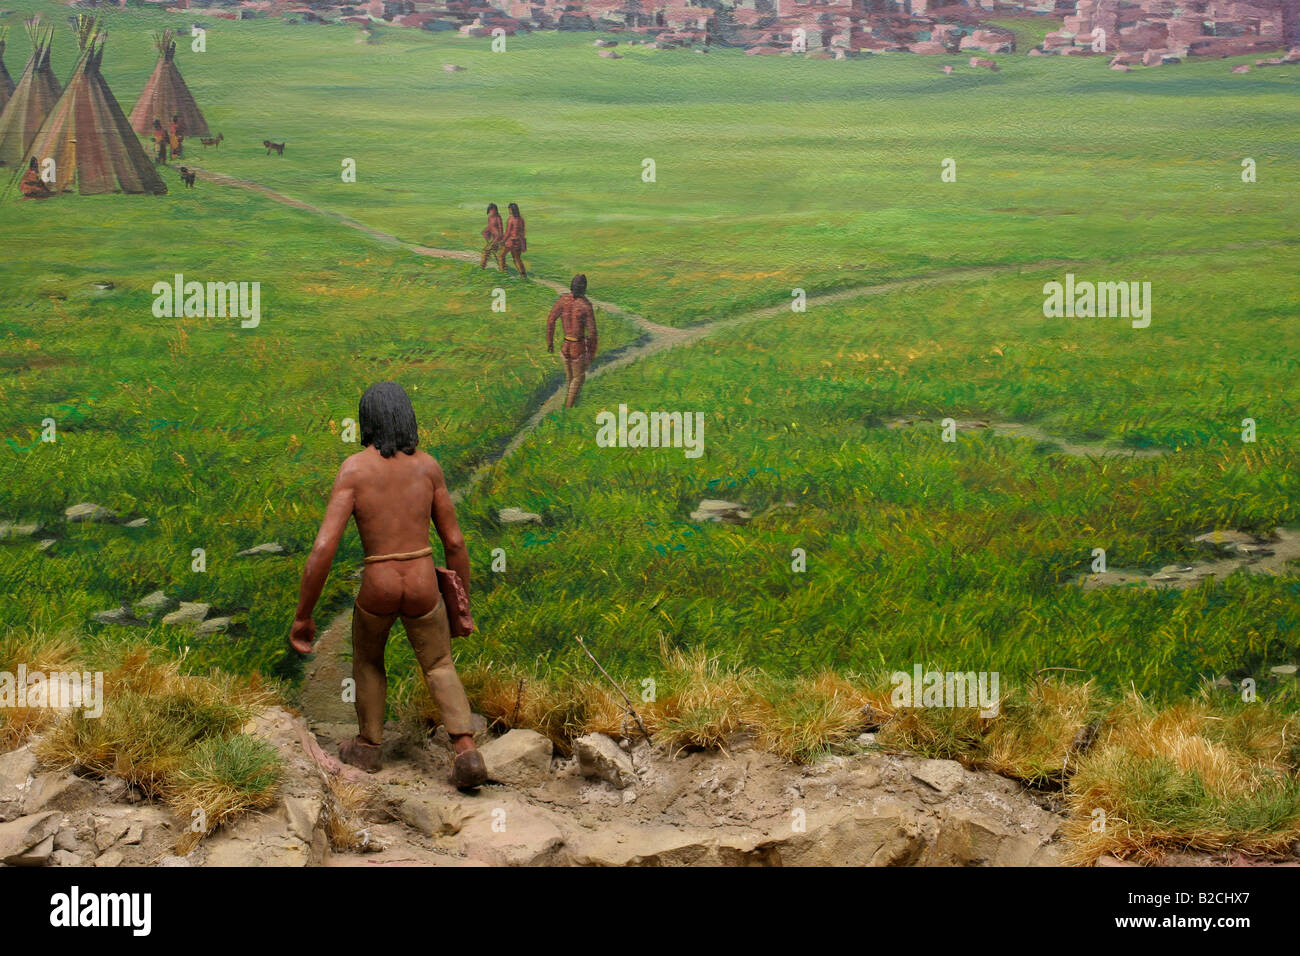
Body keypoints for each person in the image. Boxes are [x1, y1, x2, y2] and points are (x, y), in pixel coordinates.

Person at [289, 382, 487, 788]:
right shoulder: (429, 467)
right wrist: (459, 605)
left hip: (378, 582)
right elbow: (454, 542)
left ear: (367, 421)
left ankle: (368, 746)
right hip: (421, 579)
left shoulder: (354, 469)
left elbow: (324, 546)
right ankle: (466, 749)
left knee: (368, 660)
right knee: (438, 663)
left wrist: (304, 614)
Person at [546, 274, 598, 409]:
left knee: (570, 378)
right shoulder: (585, 305)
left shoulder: (563, 300)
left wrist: (550, 342)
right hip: (578, 346)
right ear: (584, 289)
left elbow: (551, 320)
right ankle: (568, 408)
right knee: (578, 378)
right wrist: (591, 353)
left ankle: (568, 404)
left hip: (565, 345)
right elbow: (592, 333)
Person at [502, 202, 526, 277]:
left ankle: (502, 271)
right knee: (517, 259)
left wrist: (503, 241)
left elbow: (508, 232)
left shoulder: (511, 219)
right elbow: (523, 231)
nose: (509, 211)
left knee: (501, 256)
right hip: (518, 242)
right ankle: (523, 274)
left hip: (510, 242)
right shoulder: (521, 219)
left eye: (509, 209)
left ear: (512, 210)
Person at [479, 202, 504, 270]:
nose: (491, 212)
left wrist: (498, 240)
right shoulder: (490, 217)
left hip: (498, 238)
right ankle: (482, 267)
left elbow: (501, 230)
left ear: (495, 210)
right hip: (493, 239)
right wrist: (485, 233)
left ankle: (502, 269)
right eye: (490, 210)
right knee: (490, 252)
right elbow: (490, 227)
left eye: (492, 210)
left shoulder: (498, 218)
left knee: (488, 251)